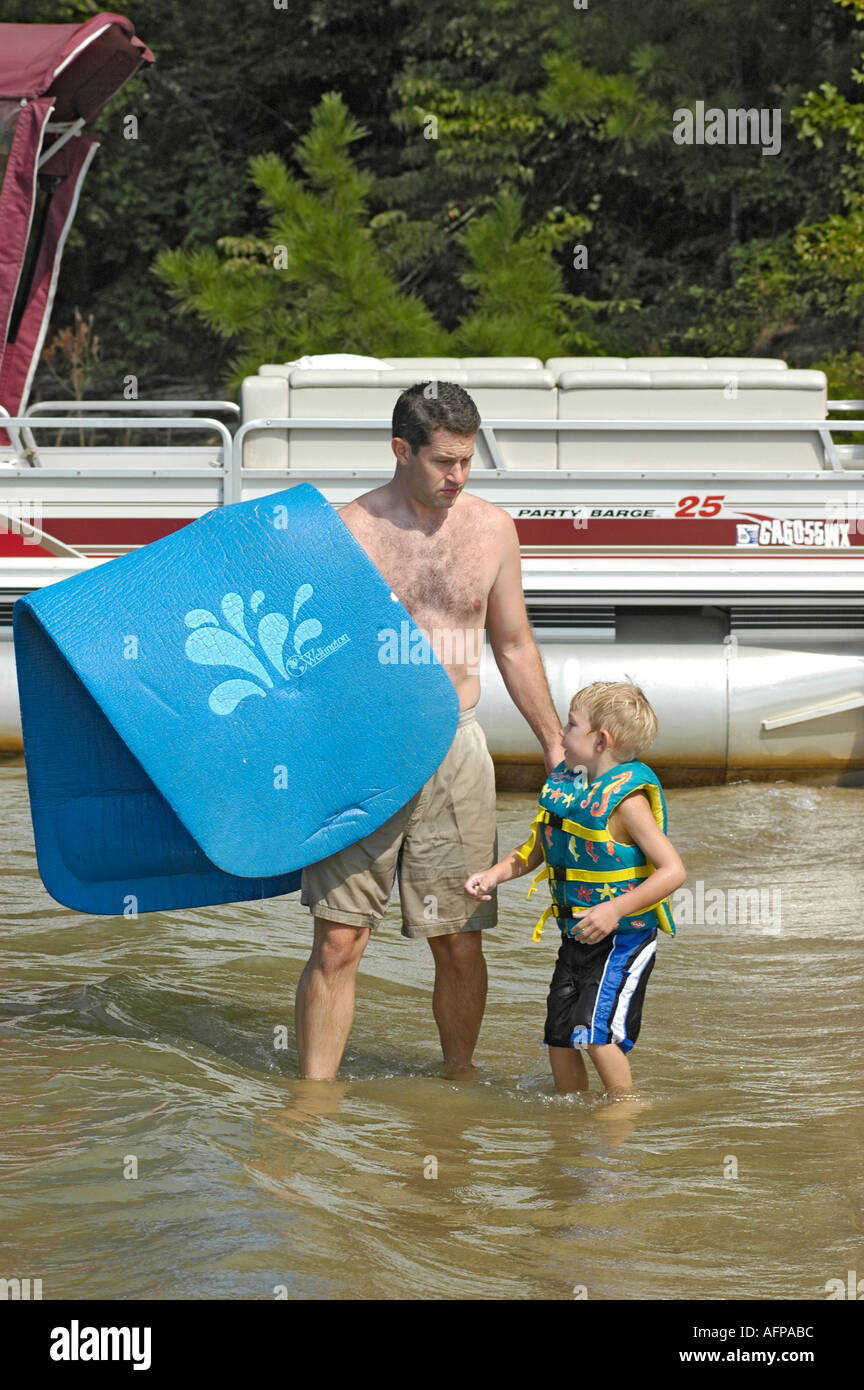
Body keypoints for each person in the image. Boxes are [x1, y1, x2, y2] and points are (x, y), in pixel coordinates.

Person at [295, 381, 566, 1080]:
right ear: (400, 450)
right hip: (364, 752)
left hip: (457, 747)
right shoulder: (343, 532)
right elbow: (302, 661)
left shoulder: (492, 529)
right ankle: (313, 1099)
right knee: (340, 940)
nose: (457, 476)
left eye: (467, 461)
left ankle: (456, 1084)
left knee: (459, 939)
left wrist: (555, 744)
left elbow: (512, 645)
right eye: (444, 461)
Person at [465, 682, 686, 1099]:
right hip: (578, 936)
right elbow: (541, 848)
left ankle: (624, 1115)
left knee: (597, 1035)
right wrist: (495, 874)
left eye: (571, 724)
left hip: (622, 938)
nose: (562, 733)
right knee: (560, 1037)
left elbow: (673, 871)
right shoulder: (570, 786)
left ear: (601, 740)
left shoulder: (627, 803)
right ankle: (569, 1126)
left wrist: (614, 910)